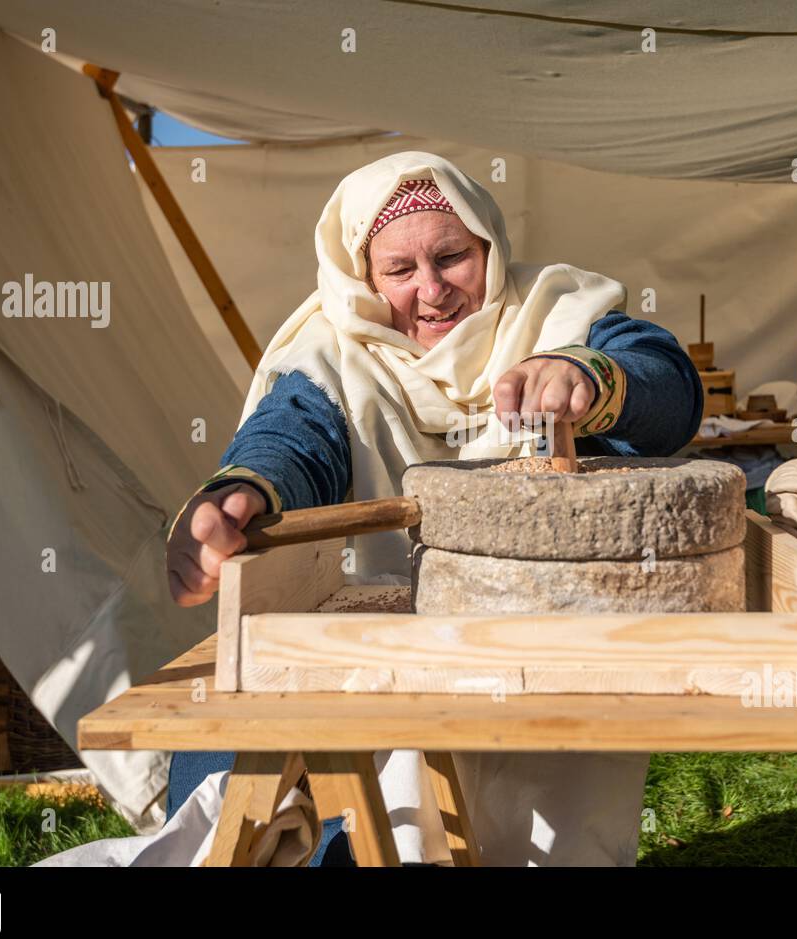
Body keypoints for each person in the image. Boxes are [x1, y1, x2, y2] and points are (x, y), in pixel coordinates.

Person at [164, 151, 702, 865]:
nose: (432, 291)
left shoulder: (556, 312)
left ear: (489, 247)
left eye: (452, 257)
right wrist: (242, 494)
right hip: (382, 643)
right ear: (362, 277)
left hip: (544, 637)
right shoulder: (333, 352)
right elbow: (293, 439)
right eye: (399, 271)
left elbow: (671, 392)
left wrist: (588, 374)